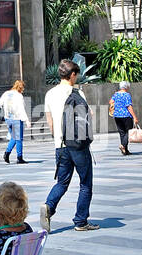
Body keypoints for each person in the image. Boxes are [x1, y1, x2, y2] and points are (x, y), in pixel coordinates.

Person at [40, 58, 99, 233]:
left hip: (61, 145)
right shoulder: (78, 93)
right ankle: (81, 221)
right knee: (85, 183)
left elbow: (50, 122)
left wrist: (58, 138)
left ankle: (49, 207)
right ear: (72, 74)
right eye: (76, 75)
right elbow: (89, 116)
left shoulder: (49, 94)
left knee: (62, 182)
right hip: (79, 146)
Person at [0, 79, 30, 164]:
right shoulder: (19, 96)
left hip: (8, 118)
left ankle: (7, 153)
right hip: (17, 118)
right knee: (18, 139)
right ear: (20, 87)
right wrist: (27, 120)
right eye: (22, 88)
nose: (23, 90)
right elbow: (21, 109)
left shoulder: (6, 93)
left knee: (14, 137)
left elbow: (0, 103)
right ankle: (19, 157)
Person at [109, 82, 139, 155]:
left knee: (122, 133)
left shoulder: (116, 94)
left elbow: (111, 102)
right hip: (126, 116)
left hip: (117, 116)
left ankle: (125, 150)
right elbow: (129, 106)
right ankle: (123, 145)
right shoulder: (127, 95)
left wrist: (117, 106)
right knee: (128, 132)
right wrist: (135, 117)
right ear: (127, 87)